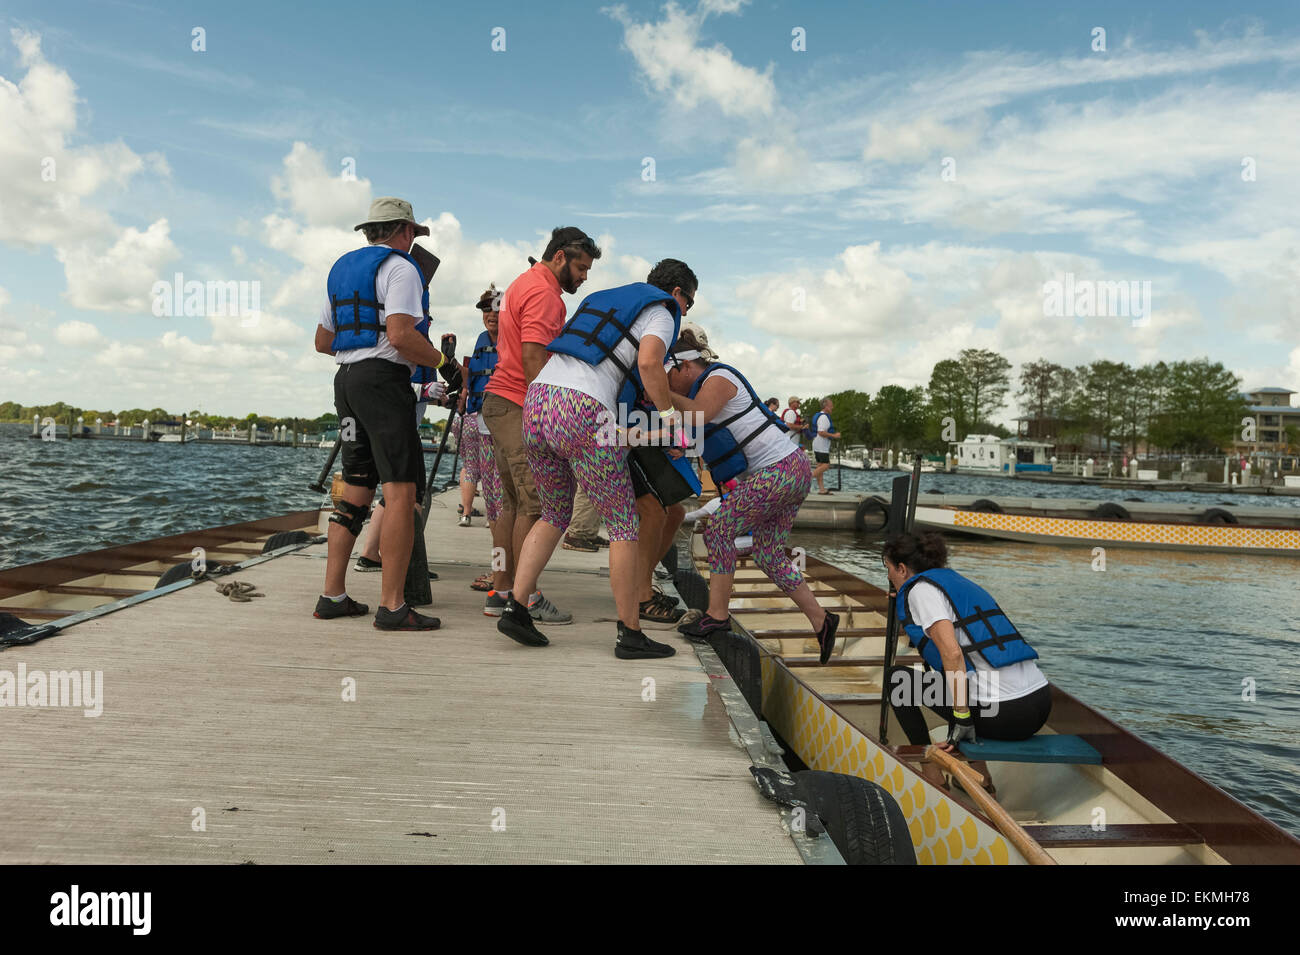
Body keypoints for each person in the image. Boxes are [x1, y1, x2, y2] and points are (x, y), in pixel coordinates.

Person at [496, 259, 697, 659]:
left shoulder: (601, 298)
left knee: (554, 513)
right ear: (676, 292)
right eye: (689, 301)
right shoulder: (660, 310)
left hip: (538, 402)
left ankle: (516, 608)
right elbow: (648, 363)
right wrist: (672, 421)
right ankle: (630, 634)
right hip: (583, 407)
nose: (686, 311)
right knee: (624, 524)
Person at [312, 197, 452, 631]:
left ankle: (332, 595)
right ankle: (392, 606)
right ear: (406, 232)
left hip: (345, 382)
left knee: (355, 489)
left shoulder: (340, 269)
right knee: (401, 495)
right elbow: (400, 334)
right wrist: (447, 366)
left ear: (369, 231)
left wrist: (359, 353)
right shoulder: (401, 268)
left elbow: (322, 340)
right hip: (382, 384)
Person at [666, 330, 838, 663]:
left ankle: (717, 616)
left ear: (684, 366)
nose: (668, 385)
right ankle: (822, 620)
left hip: (779, 470)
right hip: (791, 469)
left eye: (668, 377)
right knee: (768, 553)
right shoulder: (704, 392)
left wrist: (661, 392)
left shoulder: (719, 377)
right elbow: (699, 429)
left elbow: (698, 415)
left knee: (718, 530)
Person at [480, 228, 600, 624]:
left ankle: (502, 590)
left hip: (500, 401)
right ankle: (525, 597)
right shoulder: (546, 295)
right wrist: (546, 414)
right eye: (581, 268)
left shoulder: (523, 282)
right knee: (536, 504)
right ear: (561, 257)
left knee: (512, 503)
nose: (584, 278)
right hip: (518, 402)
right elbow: (533, 357)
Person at [881, 531, 1051, 791]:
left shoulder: (920, 592)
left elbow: (952, 654)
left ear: (902, 569)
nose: (889, 577)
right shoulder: (954, 581)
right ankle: (980, 778)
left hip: (1005, 715)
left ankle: (931, 769)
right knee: (959, 682)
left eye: (889, 569)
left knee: (897, 679)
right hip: (1039, 704)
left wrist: (961, 718)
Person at [457, 286, 501, 530]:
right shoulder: (481, 341)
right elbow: (472, 375)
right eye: (486, 309)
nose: (491, 314)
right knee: (485, 469)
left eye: (496, 308)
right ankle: (493, 517)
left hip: (507, 416)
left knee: (501, 470)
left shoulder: (513, 338)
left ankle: (500, 516)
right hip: (481, 415)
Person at [811, 398, 840, 494]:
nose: (833, 407)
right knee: (826, 465)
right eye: (831, 405)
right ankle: (805, 480)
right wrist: (834, 436)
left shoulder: (822, 416)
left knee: (820, 467)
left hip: (818, 445)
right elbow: (821, 432)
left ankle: (822, 489)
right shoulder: (824, 417)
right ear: (826, 406)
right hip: (821, 446)